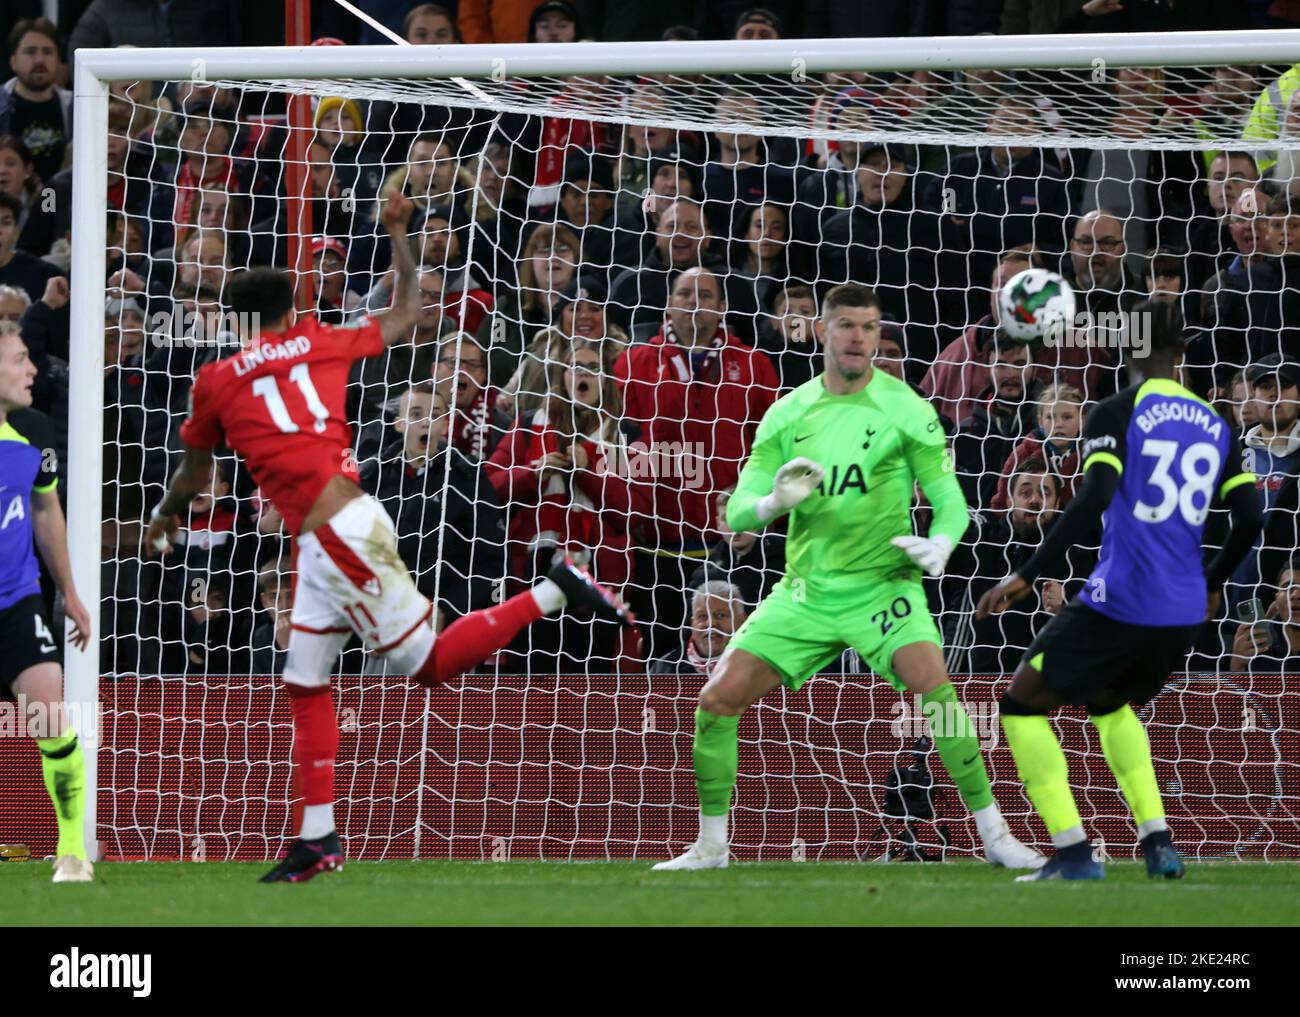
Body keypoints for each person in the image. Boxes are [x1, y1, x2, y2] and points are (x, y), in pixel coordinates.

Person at [143, 188, 631, 883]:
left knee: (428, 664)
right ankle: (318, 836)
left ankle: (553, 591)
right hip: (329, 532)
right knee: (304, 679)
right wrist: (399, 234)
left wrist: (164, 516)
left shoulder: (216, 380)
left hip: (338, 531)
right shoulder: (321, 338)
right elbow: (406, 313)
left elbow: (194, 471)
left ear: (234, 318)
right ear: (291, 310)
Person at [653, 283, 1041, 872]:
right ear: (822, 331)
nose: (860, 337)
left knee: (937, 696)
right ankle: (711, 846)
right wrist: (769, 505)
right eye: (847, 325)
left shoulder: (908, 407)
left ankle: (995, 835)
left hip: (883, 588)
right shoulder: (788, 412)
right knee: (715, 701)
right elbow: (735, 510)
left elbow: (951, 502)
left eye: (870, 327)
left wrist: (939, 545)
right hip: (804, 593)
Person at [976, 301, 1265, 880]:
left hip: (1124, 595)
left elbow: (1093, 496)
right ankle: (1158, 841)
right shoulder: (1217, 423)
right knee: (1109, 702)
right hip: (1182, 607)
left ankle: (1075, 853)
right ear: (1181, 355)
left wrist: (1028, 573)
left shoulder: (1114, 411)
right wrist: (1213, 582)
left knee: (1020, 705)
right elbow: (1252, 517)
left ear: (1128, 350)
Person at [0, 318, 94, 882]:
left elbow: (45, 510)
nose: (32, 369)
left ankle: (70, 851)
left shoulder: (33, 437)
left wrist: (70, 591)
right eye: (18, 360)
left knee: (50, 717)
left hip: (16, 601)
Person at [0, 19, 72, 184]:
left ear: (58, 61)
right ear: (13, 62)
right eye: (30, 51)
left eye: (47, 52)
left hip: (61, 203)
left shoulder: (77, 107)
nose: (39, 60)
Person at [650, 580, 749, 676]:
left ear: (742, 621)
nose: (711, 624)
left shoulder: (759, 665)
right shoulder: (664, 667)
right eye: (702, 616)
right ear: (692, 623)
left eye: (721, 615)